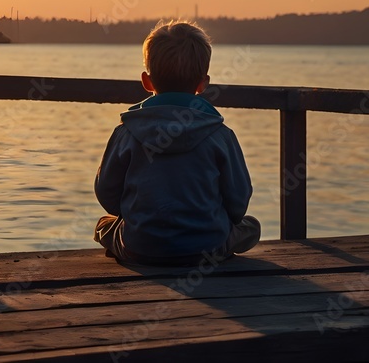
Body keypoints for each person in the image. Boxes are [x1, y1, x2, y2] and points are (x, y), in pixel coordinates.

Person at [93, 20, 260, 266]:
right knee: (251, 227)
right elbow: (238, 204)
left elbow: (107, 195)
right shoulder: (221, 135)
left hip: (140, 246)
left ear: (147, 81)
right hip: (207, 248)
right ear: (203, 83)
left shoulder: (126, 132)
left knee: (103, 225)